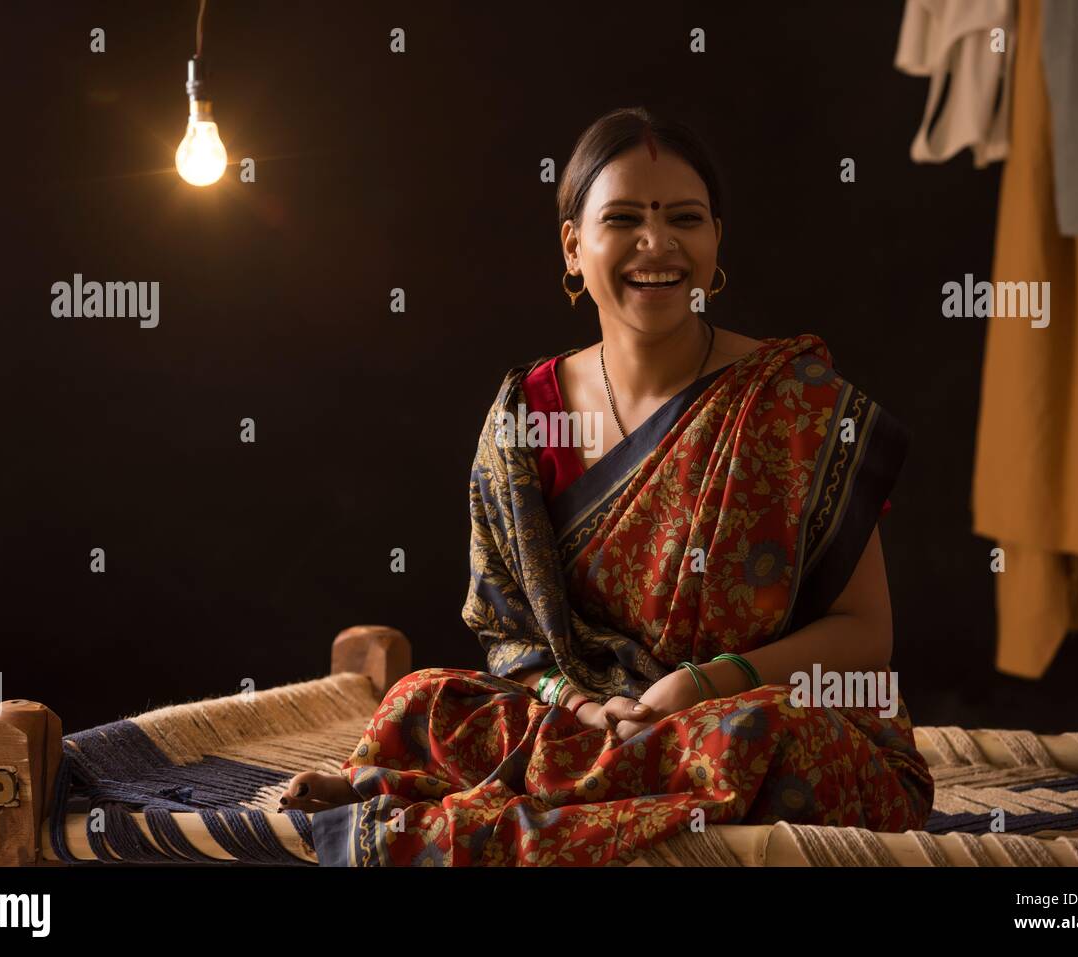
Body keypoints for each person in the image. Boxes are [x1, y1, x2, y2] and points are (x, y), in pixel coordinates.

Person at [282, 106, 934, 866]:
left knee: (770, 737)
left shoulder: (792, 400)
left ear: (715, 241)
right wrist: (586, 704)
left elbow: (865, 632)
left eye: (684, 219)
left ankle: (444, 801)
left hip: (737, 719)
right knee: (421, 700)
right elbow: (511, 638)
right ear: (572, 246)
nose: (656, 244)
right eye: (623, 218)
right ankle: (563, 788)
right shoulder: (527, 414)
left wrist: (693, 690)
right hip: (584, 720)